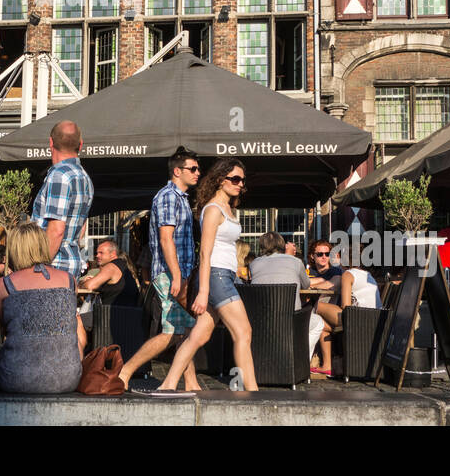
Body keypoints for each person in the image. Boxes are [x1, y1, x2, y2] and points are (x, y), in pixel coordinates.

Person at [151, 157, 258, 394]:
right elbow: (205, 253)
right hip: (216, 277)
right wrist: (203, 292)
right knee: (244, 332)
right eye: (235, 179)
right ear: (221, 180)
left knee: (199, 336)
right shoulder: (212, 209)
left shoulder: (228, 209)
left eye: (243, 180)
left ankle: (168, 384)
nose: (240, 184)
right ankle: (252, 392)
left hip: (225, 276)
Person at [117, 149, 202, 392]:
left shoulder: (182, 199)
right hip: (169, 273)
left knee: (183, 329)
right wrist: (176, 274)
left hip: (178, 272)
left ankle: (191, 382)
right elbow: (166, 239)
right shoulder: (168, 197)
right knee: (172, 331)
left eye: (198, 168)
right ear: (177, 171)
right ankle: (126, 371)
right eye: (192, 169)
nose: (198, 173)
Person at [0, 221, 81, 394]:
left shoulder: (4, 285)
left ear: (15, 249)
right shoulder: (70, 281)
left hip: (17, 378)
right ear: (42, 245)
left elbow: (6, 326)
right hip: (67, 379)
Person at [31, 119, 94, 351]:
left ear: (50, 143)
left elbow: (56, 229)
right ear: (81, 144)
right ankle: (75, 371)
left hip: (54, 262)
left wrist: (38, 265)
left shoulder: (59, 176)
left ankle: (64, 377)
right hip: (71, 259)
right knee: (67, 320)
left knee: (50, 330)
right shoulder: (84, 178)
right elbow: (81, 228)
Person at [311, 244, 381, 377]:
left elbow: (345, 306)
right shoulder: (367, 274)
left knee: (317, 306)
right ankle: (326, 366)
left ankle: (311, 355)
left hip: (357, 319)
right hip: (373, 320)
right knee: (322, 325)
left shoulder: (348, 275)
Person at [249, 232, 309, 309]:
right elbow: (306, 285)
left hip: (262, 318)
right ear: (282, 244)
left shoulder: (254, 264)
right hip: (292, 318)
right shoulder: (296, 261)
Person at [79, 239, 139, 307]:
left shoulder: (111, 267)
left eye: (101, 253)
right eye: (97, 253)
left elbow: (90, 286)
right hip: (127, 312)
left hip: (114, 314)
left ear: (113, 254)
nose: (97, 256)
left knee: (77, 316)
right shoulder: (121, 264)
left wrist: (81, 283)